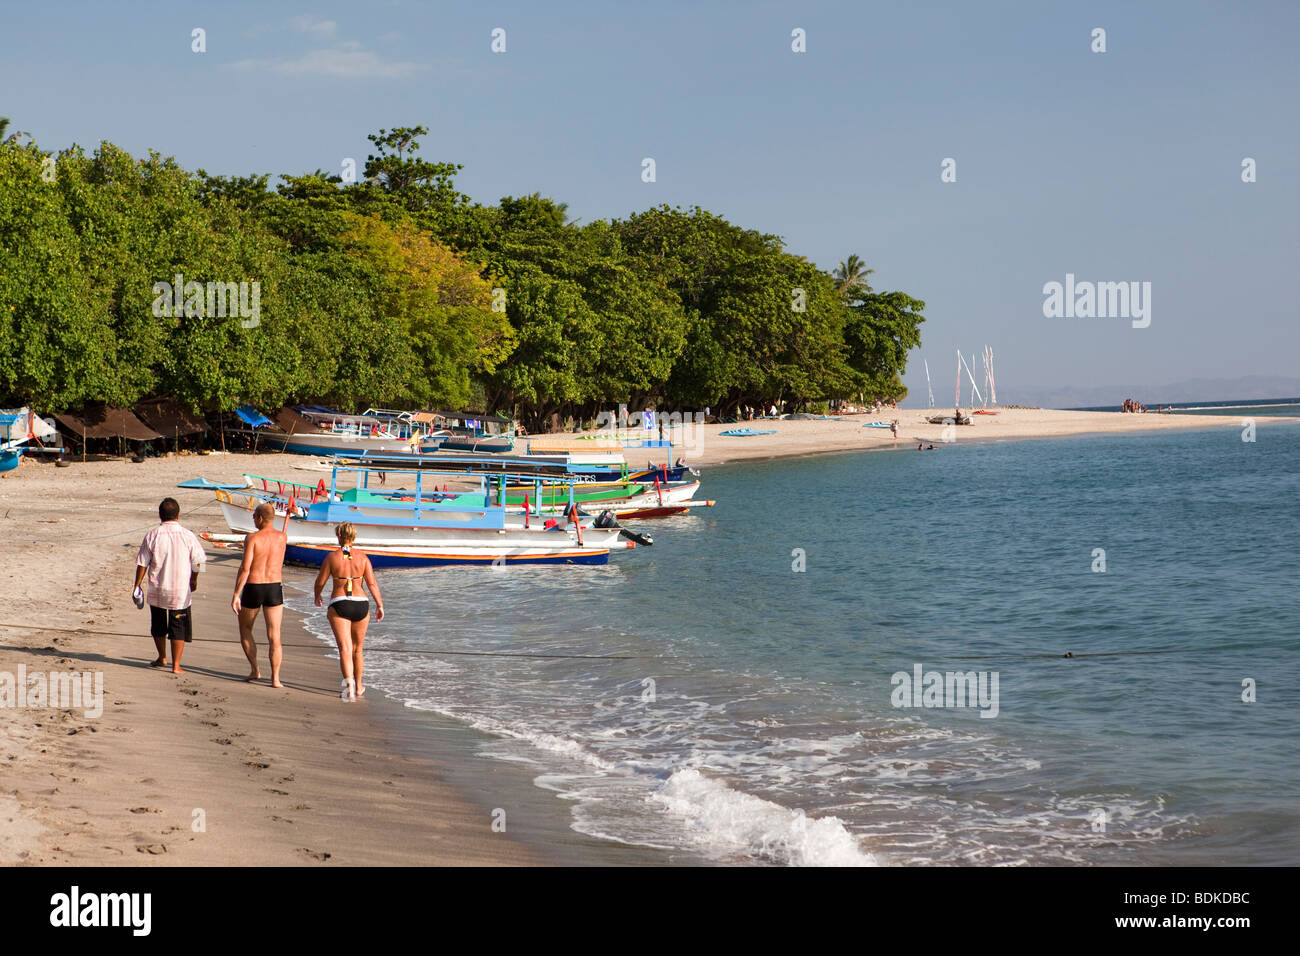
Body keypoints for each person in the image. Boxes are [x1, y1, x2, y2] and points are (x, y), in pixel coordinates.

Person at [133, 498, 205, 674]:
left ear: (160, 515)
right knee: (178, 625)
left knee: (158, 624)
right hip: (179, 589)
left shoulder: (153, 534)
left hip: (158, 587)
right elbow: (198, 562)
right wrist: (194, 580)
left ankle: (162, 657)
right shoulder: (188, 535)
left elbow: (142, 563)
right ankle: (176, 665)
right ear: (179, 515)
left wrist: (137, 585)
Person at [313, 522, 383, 701]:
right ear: (354, 537)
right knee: (357, 649)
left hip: (340, 602)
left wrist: (317, 596)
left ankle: (349, 688)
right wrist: (380, 605)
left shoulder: (332, 558)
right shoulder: (363, 558)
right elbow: (372, 583)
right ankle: (359, 686)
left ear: (338, 536)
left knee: (345, 649)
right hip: (361, 603)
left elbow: (320, 581)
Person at [232, 502, 288, 687]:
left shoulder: (252, 538)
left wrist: (236, 594)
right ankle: (276, 679)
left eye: (254, 516)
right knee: (275, 635)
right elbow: (281, 533)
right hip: (273, 588)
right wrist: (287, 518)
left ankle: (255, 669)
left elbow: (245, 568)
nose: (253, 520)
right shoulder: (282, 537)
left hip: (254, 586)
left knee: (245, 629)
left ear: (260, 518)